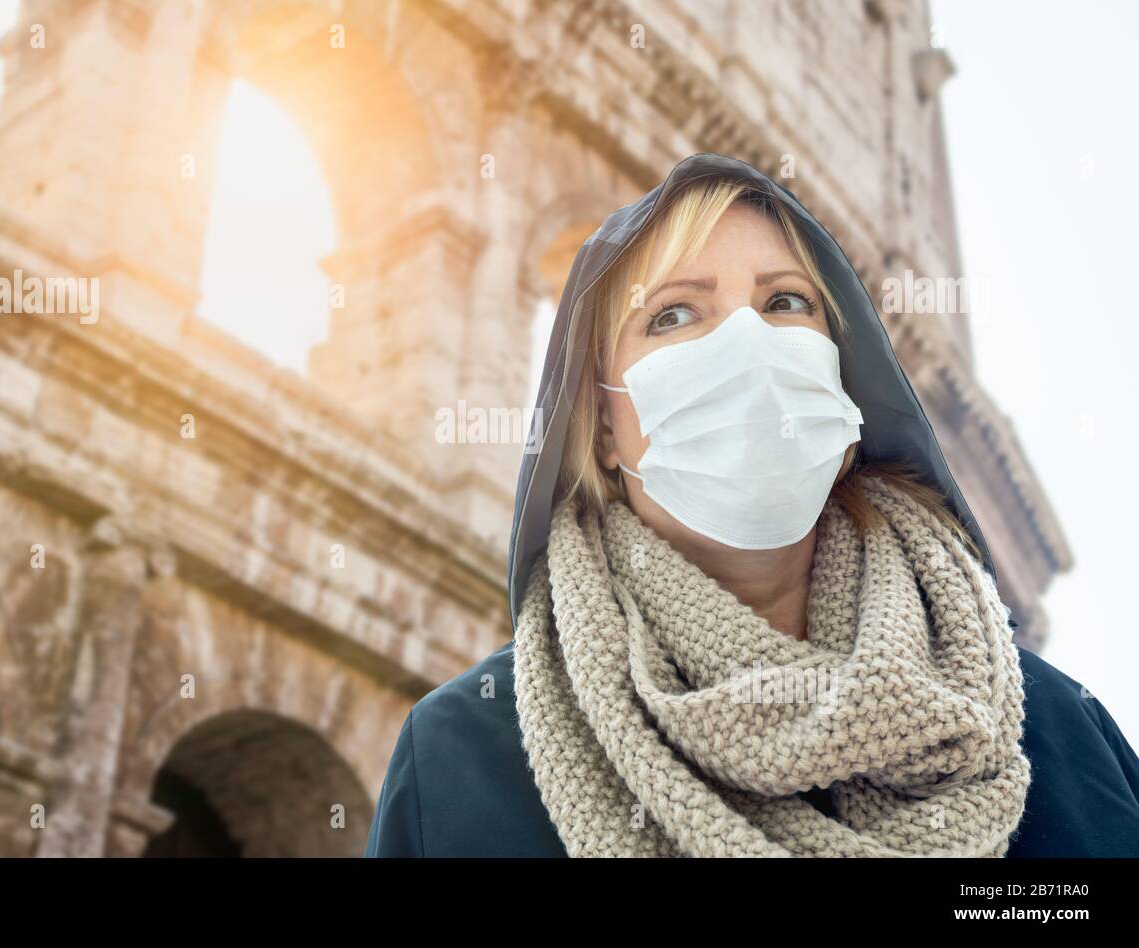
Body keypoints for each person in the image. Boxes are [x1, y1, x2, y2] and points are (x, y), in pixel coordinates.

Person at [365, 153, 1139, 857]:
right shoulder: (461, 759)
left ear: (844, 382)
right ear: (602, 424)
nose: (747, 342)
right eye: (672, 314)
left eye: (785, 303)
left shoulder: (1060, 730)